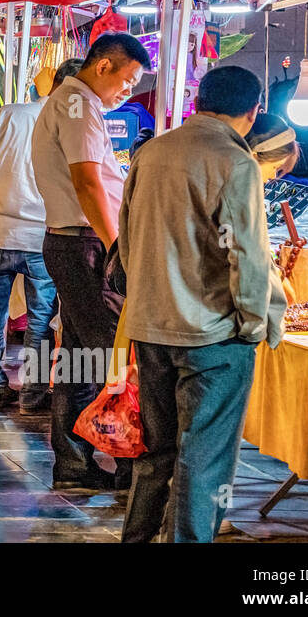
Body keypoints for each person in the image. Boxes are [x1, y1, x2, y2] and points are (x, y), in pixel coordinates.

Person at [119, 67, 286, 543]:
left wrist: (147, 300)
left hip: (151, 325)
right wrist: (255, 323)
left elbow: (127, 240)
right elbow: (249, 255)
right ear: (253, 113)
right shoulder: (235, 162)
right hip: (213, 337)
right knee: (204, 461)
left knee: (157, 451)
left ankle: (136, 538)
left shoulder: (152, 152)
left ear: (199, 100)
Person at [31, 32, 150, 492]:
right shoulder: (78, 106)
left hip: (73, 243)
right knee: (112, 354)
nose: (129, 91)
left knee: (80, 356)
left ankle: (75, 463)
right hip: (84, 244)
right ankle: (127, 465)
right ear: (103, 66)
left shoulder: (73, 104)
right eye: (128, 79)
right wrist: (116, 245)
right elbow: (87, 183)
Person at [0, 59, 84, 415]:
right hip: (42, 236)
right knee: (40, 318)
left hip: (0, 231)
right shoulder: (72, 125)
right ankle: (33, 395)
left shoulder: (9, 114)